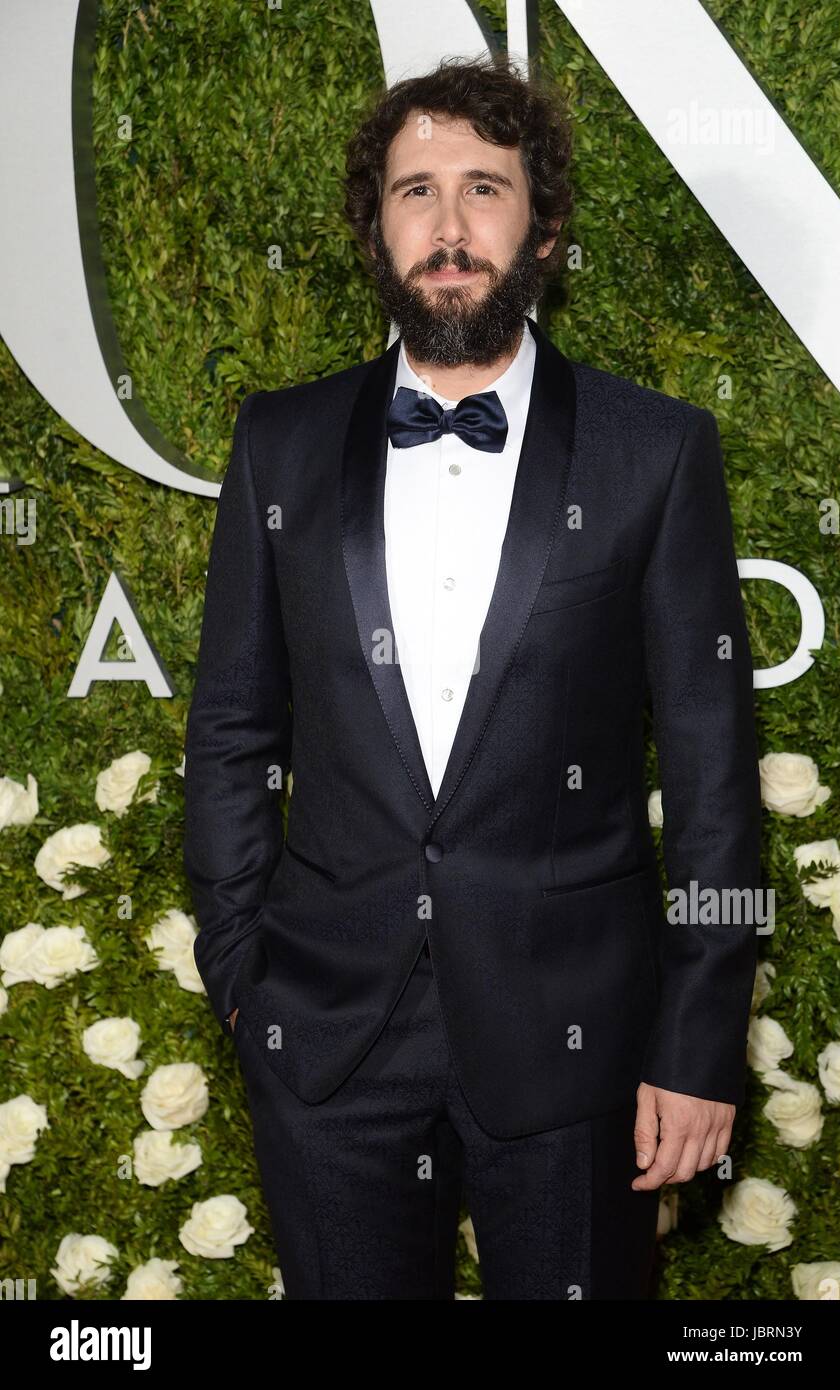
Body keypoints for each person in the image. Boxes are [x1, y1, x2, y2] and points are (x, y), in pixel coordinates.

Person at [182, 55, 762, 1300]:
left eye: (484, 190)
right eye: (415, 193)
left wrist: (702, 1040)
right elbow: (234, 724)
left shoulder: (654, 452)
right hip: (327, 1039)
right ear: (375, 231)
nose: (448, 229)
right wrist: (239, 973)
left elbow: (714, 776)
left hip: (579, 1048)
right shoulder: (277, 443)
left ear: (543, 226)